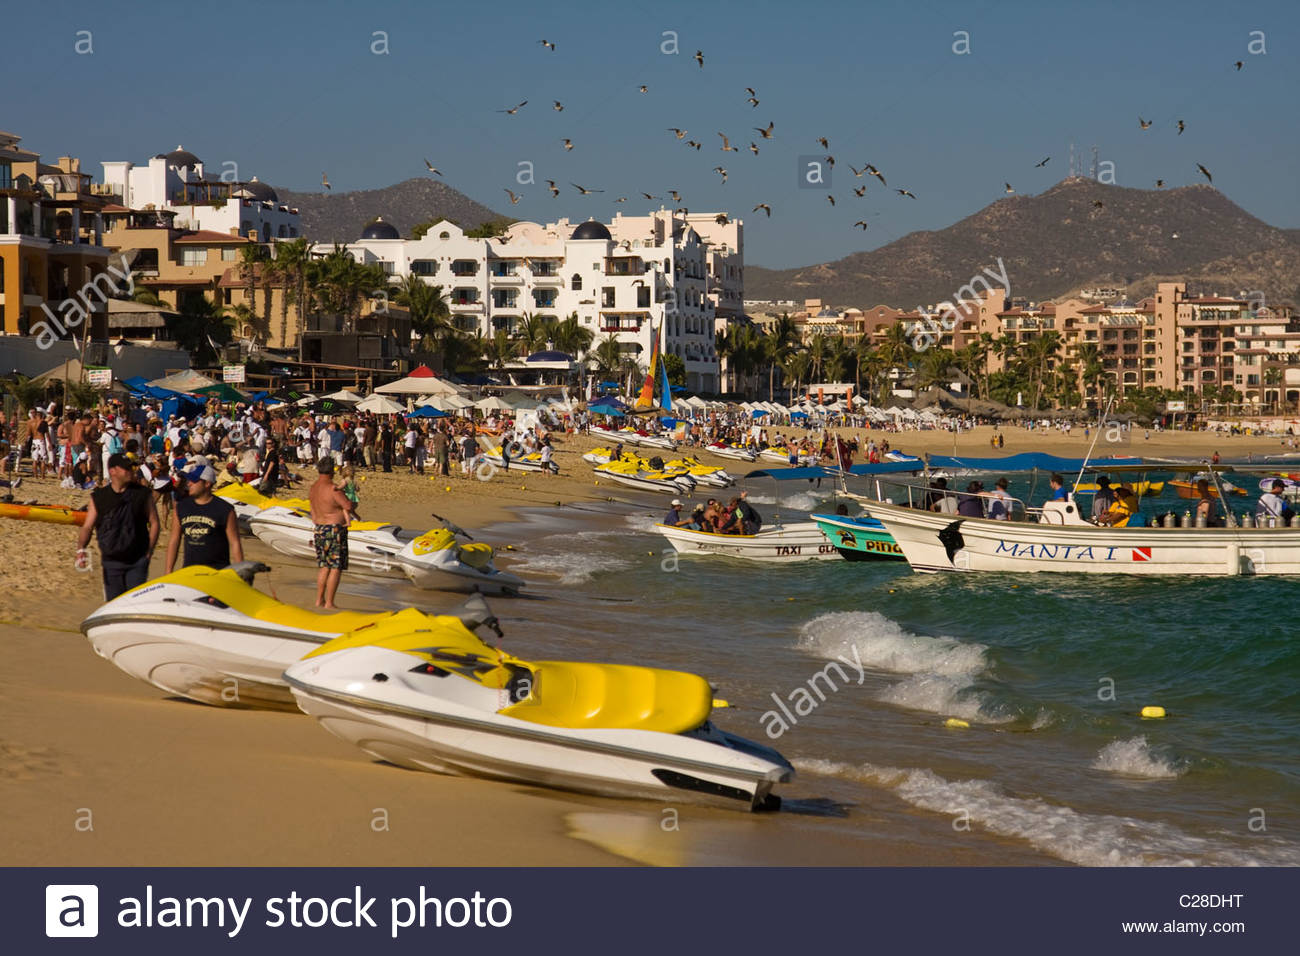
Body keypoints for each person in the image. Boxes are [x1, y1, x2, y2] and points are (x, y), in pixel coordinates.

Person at [77, 452, 161, 600]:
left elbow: (154, 522)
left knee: (135, 606)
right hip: (111, 561)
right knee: (114, 604)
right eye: (126, 468)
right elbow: (87, 527)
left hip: (137, 561)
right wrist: (81, 549)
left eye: (131, 468)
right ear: (112, 471)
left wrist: (149, 551)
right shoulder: (99, 497)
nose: (130, 471)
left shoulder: (142, 494)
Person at [165, 462, 242, 572]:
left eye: (194, 481)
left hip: (217, 573)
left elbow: (235, 543)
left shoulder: (225, 509)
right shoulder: (182, 507)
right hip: (189, 572)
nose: (189, 484)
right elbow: (174, 540)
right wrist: (168, 571)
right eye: (189, 480)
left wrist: (242, 574)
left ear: (207, 483)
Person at [309, 457, 355, 609]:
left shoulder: (313, 487)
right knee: (335, 567)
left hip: (319, 529)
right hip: (334, 529)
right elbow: (347, 505)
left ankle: (318, 600)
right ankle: (329, 602)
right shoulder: (332, 488)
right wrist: (354, 501)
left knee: (324, 566)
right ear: (332, 470)